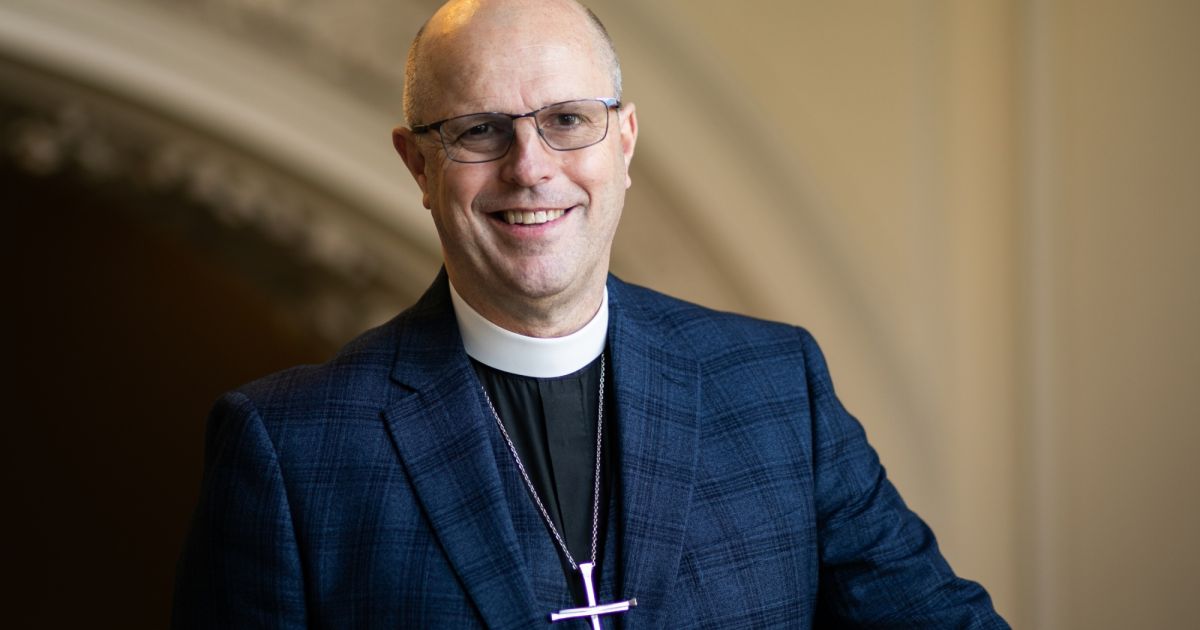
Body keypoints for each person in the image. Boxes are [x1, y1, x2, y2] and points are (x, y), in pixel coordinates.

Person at [173, 0, 1009, 627]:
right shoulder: (290, 449)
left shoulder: (777, 387)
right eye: (479, 131)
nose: (530, 169)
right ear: (418, 165)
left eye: (568, 121)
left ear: (626, 141)